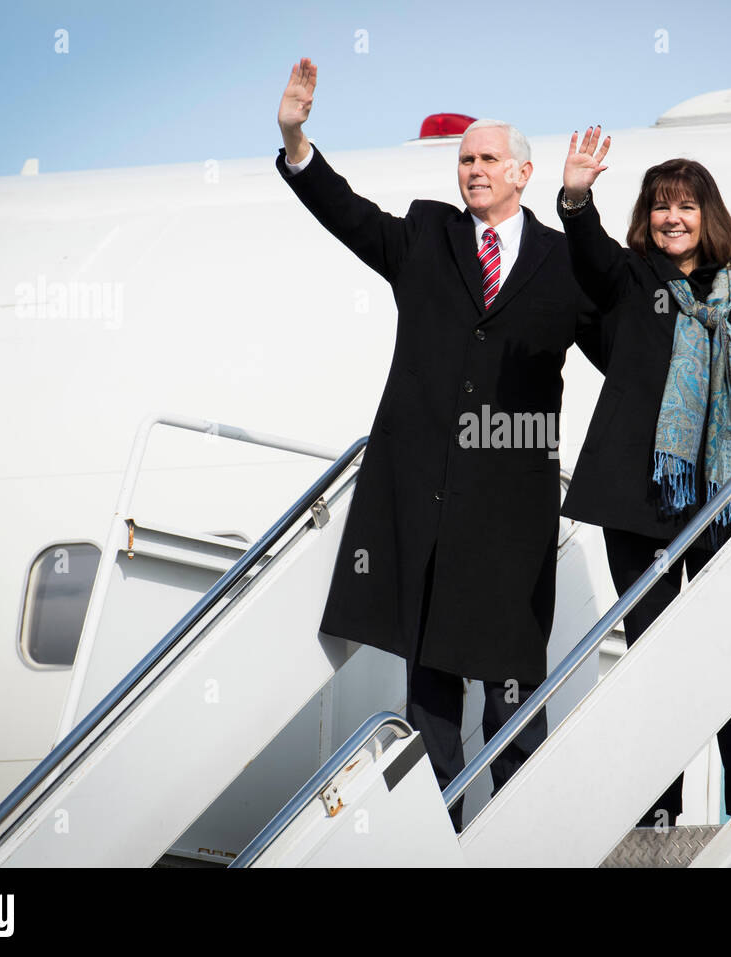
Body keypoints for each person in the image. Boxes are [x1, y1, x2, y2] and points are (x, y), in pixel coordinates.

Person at [275, 60, 603, 828]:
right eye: (465, 159)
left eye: (489, 158)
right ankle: (440, 838)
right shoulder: (426, 233)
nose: (474, 169)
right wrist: (297, 142)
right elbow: (349, 215)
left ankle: (520, 836)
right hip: (429, 505)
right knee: (431, 700)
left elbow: (622, 348)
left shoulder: (564, 262)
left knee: (513, 686)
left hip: (513, 513)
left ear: (524, 172)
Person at [556, 126, 731, 827]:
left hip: (721, 498)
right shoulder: (629, 280)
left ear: (709, 216)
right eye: (658, 206)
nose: (670, 218)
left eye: (684, 206)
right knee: (654, 656)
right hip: (639, 501)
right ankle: (657, 816)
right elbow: (587, 255)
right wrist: (578, 197)